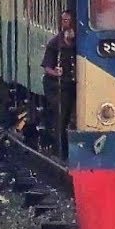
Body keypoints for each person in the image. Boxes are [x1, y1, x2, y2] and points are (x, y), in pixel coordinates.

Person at [40, 11, 77, 152]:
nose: (65, 23)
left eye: (68, 20)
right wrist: (56, 72)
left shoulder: (79, 42)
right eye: (63, 20)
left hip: (73, 84)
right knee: (61, 116)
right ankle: (60, 150)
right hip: (58, 85)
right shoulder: (55, 43)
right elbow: (46, 67)